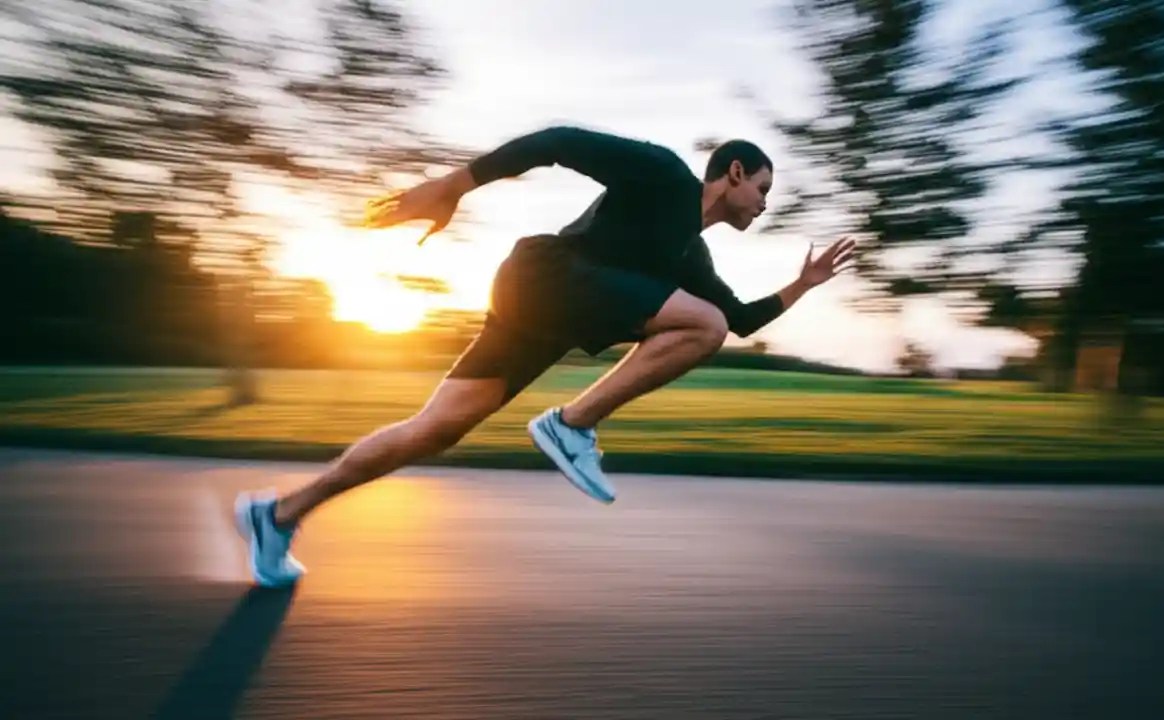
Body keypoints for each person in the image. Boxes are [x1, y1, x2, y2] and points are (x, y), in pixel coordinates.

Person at [234, 125, 858, 587]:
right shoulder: (663, 175)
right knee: (703, 324)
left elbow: (742, 321)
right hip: (543, 278)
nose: (765, 204)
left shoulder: (692, 258)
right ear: (736, 173)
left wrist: (802, 285)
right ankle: (571, 425)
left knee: (434, 430)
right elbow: (556, 141)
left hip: (541, 314)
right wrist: (455, 185)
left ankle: (280, 515)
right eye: (764, 189)